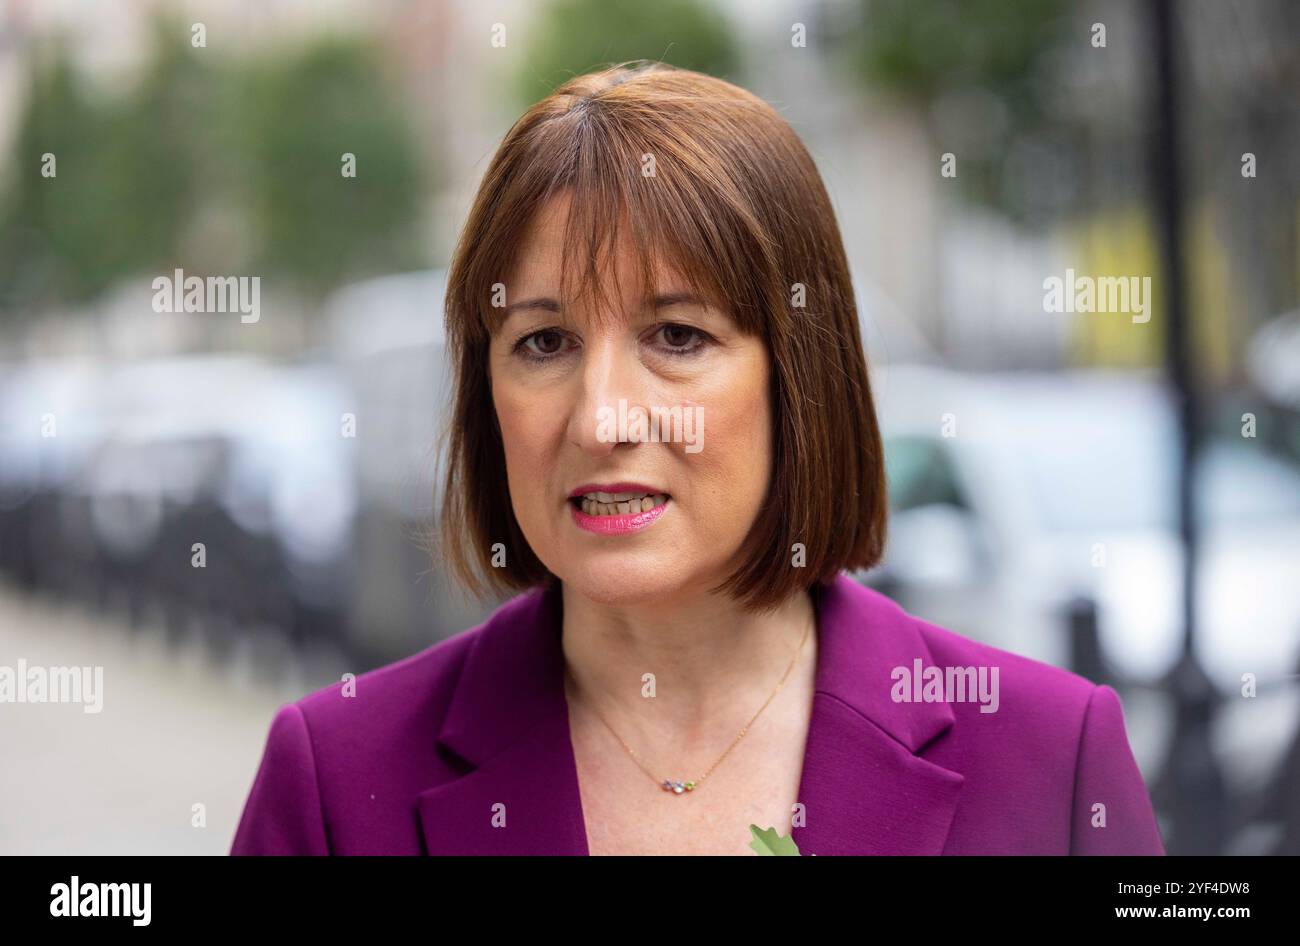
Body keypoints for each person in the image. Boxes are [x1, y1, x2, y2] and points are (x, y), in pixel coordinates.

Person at [230, 61, 1165, 856]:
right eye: (544, 343)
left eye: (676, 336)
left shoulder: (1049, 758)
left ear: (799, 376)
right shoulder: (337, 783)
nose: (601, 419)